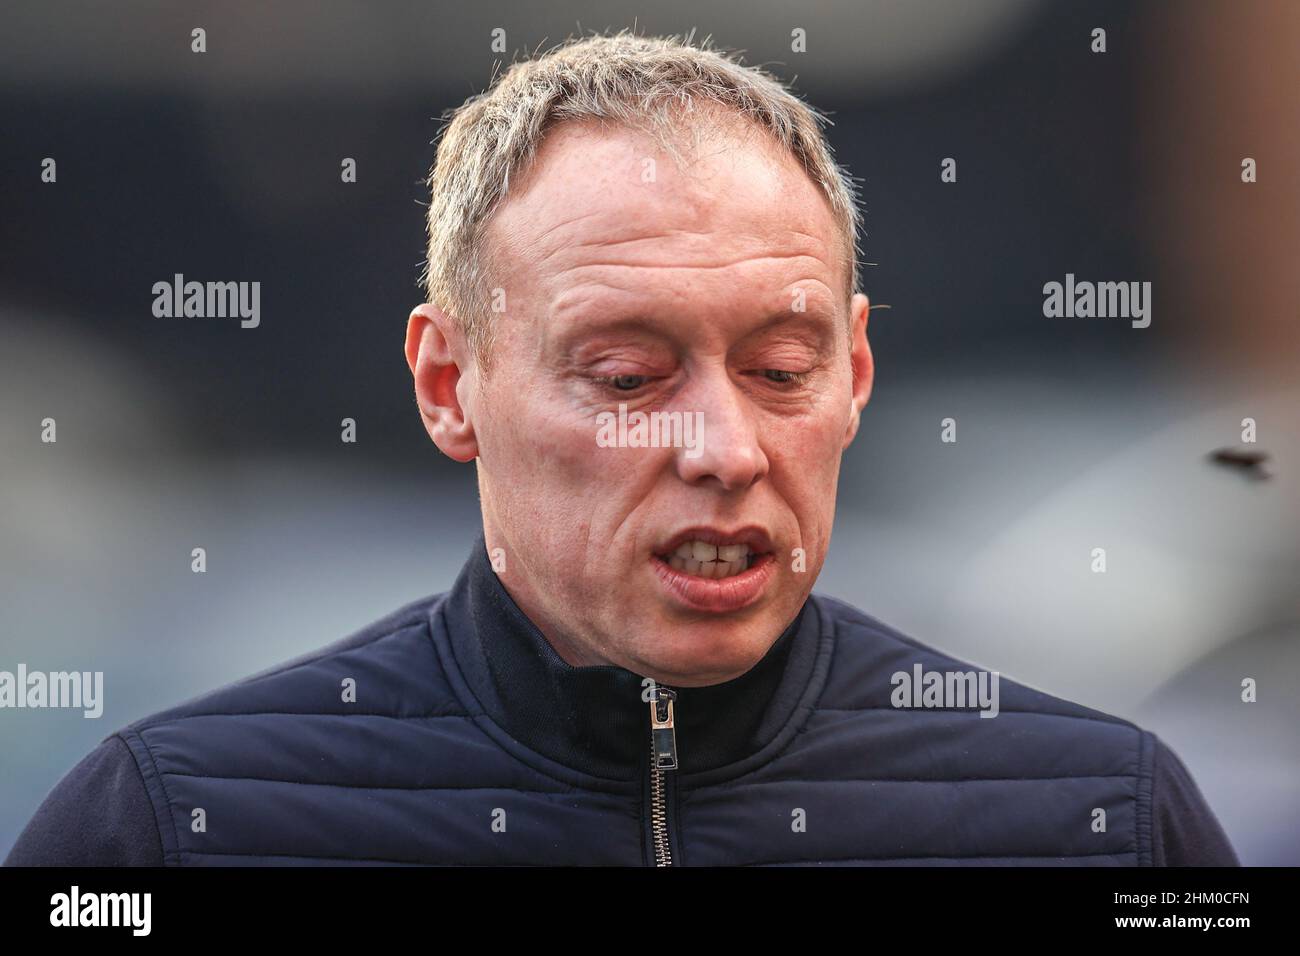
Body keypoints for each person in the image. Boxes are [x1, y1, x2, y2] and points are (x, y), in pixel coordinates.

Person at [5, 32, 1237, 867]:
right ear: (448, 384)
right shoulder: (170, 823)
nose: (722, 446)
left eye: (781, 369)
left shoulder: (1101, 818)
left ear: (856, 375)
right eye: (626, 376)